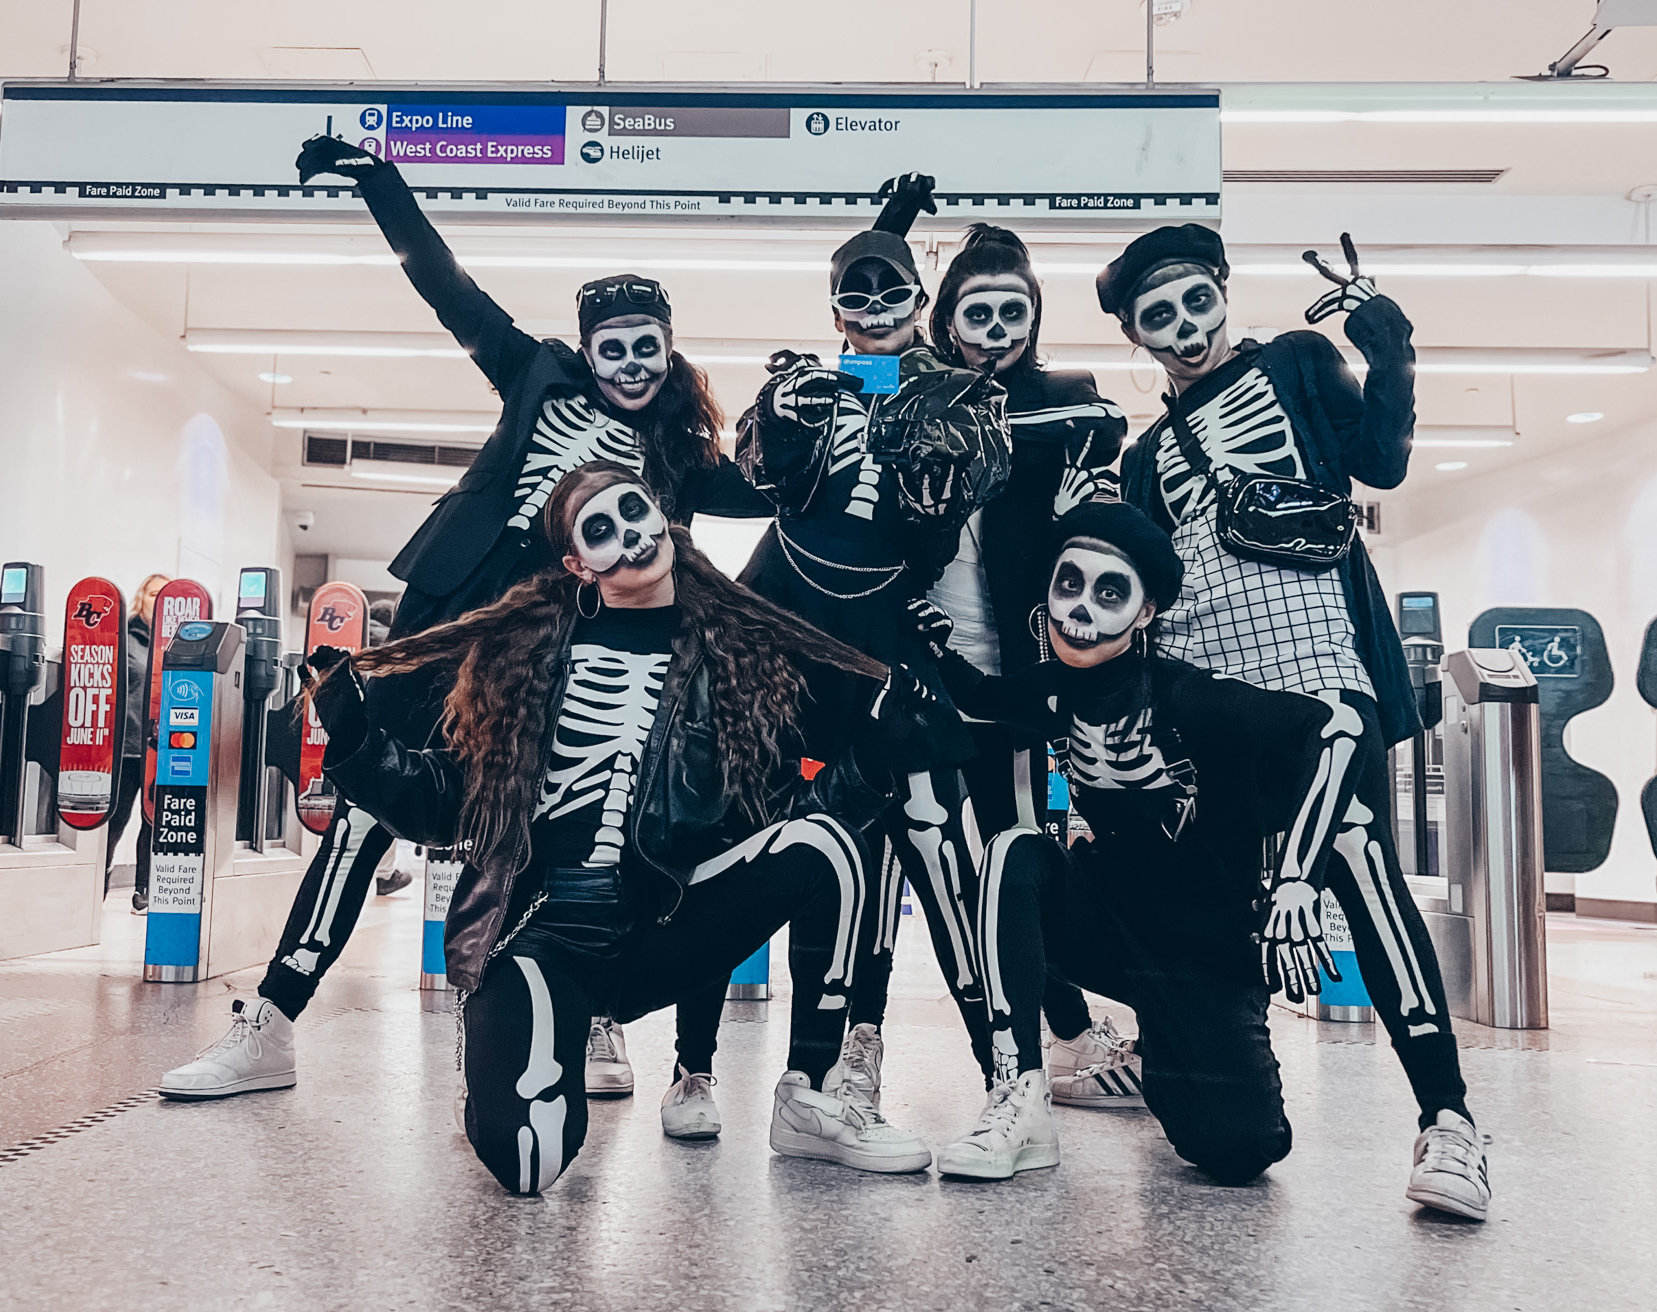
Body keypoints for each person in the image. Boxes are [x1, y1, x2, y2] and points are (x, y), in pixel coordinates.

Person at [158, 133, 770, 1103]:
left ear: (669, 348)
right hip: (446, 630)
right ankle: (271, 1022)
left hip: (560, 664)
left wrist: (847, 394)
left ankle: (571, 1018)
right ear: (586, 350)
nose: (631, 365)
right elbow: (448, 290)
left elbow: (785, 496)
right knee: (363, 815)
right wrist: (383, 185)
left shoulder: (682, 458)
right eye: (613, 348)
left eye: (647, 347)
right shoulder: (532, 374)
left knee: (572, 832)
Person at [302, 463, 951, 1192]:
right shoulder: (525, 659)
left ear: (664, 517)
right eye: (601, 530)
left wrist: (881, 751)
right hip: (540, 933)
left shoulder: (737, 661)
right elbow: (446, 802)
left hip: (665, 924)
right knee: (529, 1163)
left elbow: (781, 808)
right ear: (578, 565)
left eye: (635, 512)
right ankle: (512, 1041)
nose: (631, 537)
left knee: (827, 842)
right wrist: (356, 743)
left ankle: (812, 1090)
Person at [924, 505, 1490, 1218]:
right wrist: (925, 640)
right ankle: (1018, 1093)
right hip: (1109, 933)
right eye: (1069, 584)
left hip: (1203, 957)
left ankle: (1174, 1061)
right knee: (1016, 851)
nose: (1081, 611)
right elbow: (979, 695)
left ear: (1146, 612)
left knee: (1238, 1149)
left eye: (1109, 592)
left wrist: (1297, 880)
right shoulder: (1054, 690)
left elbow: (1342, 728)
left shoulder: (1193, 698)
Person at [1110, 225, 1489, 1216]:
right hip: (1206, 690)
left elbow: (1381, 462)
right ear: (1136, 337)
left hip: (1321, 669)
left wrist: (1385, 338)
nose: (1184, 328)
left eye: (1196, 301)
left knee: (1360, 863)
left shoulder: (1296, 363)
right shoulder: (1146, 455)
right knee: (1213, 889)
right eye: (1158, 317)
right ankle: (1206, 1072)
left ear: (1223, 292)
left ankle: (1448, 1119)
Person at [709, 173, 1011, 1113]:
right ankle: (728, 1061)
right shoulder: (807, 382)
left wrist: (937, 464)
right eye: (856, 297)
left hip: (886, 636)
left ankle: (1006, 1072)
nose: (875, 309)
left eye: (893, 293)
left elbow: (970, 485)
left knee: (934, 844)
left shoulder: (957, 393)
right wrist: (785, 423)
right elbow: (757, 469)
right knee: (750, 827)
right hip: (785, 630)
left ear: (919, 302)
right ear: (836, 309)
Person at [921, 224, 1144, 1106]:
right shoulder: (913, 392)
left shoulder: (1062, 400)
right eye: (977, 313)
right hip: (914, 670)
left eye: (1014, 312)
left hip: (1011, 678)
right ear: (947, 319)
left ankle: (1067, 1033)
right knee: (918, 867)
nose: (997, 331)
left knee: (1013, 855)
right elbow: (860, 365)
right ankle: (858, 1052)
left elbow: (1101, 453)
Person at [104, 573, 167, 910]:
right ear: (142, 597)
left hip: (161, 749)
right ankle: (98, 881)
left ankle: (145, 890)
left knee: (153, 820)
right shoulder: (125, 639)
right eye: (154, 594)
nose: (159, 601)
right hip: (127, 748)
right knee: (115, 820)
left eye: (166, 595)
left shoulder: (174, 644)